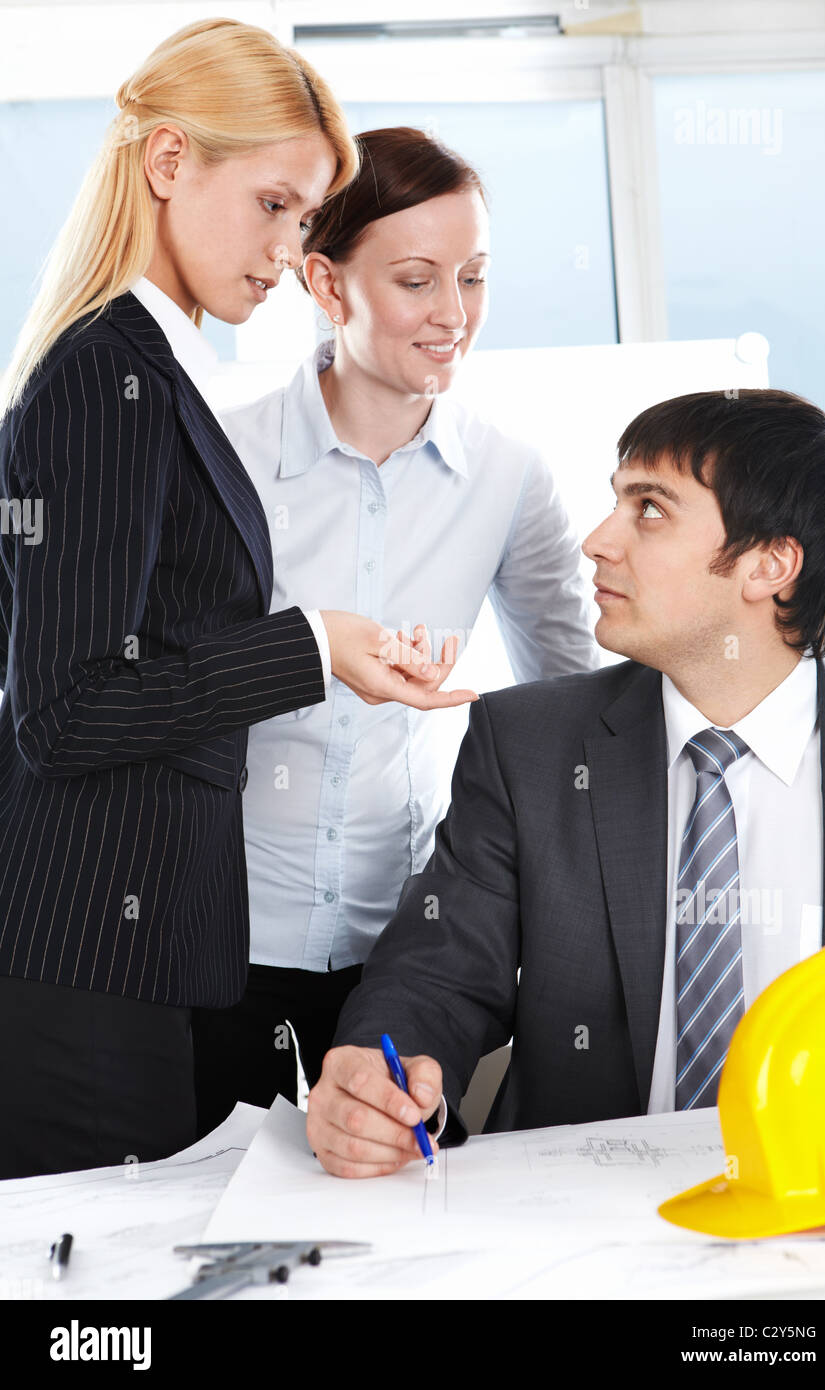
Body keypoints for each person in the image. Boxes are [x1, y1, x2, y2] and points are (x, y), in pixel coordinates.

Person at [0, 19, 475, 1180]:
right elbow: (64, 708)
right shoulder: (110, 374)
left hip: (133, 954)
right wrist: (312, 644)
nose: (287, 249)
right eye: (272, 204)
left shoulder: (152, 366)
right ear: (168, 163)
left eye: (307, 218)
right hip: (87, 965)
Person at [306, 386, 825, 1177]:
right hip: (580, 1226)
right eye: (617, 502)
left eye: (651, 510)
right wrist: (382, 1075)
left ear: (770, 563)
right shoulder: (528, 744)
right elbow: (438, 972)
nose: (598, 541)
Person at [190, 126, 600, 1135]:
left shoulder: (508, 475)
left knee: (408, 1214)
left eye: (472, 276)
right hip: (214, 951)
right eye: (417, 280)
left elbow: (574, 694)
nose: (452, 315)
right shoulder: (216, 462)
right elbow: (157, 684)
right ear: (325, 287)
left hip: (404, 960)